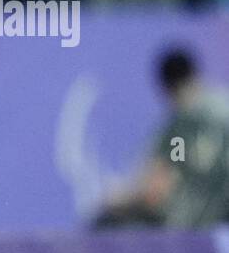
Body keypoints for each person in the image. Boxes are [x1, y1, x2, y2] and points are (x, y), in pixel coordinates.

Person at [97, 48, 229, 229]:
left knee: (106, 222)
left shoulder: (184, 123)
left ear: (167, 88)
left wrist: (119, 199)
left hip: (196, 231)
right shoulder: (223, 104)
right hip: (220, 228)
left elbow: (158, 186)